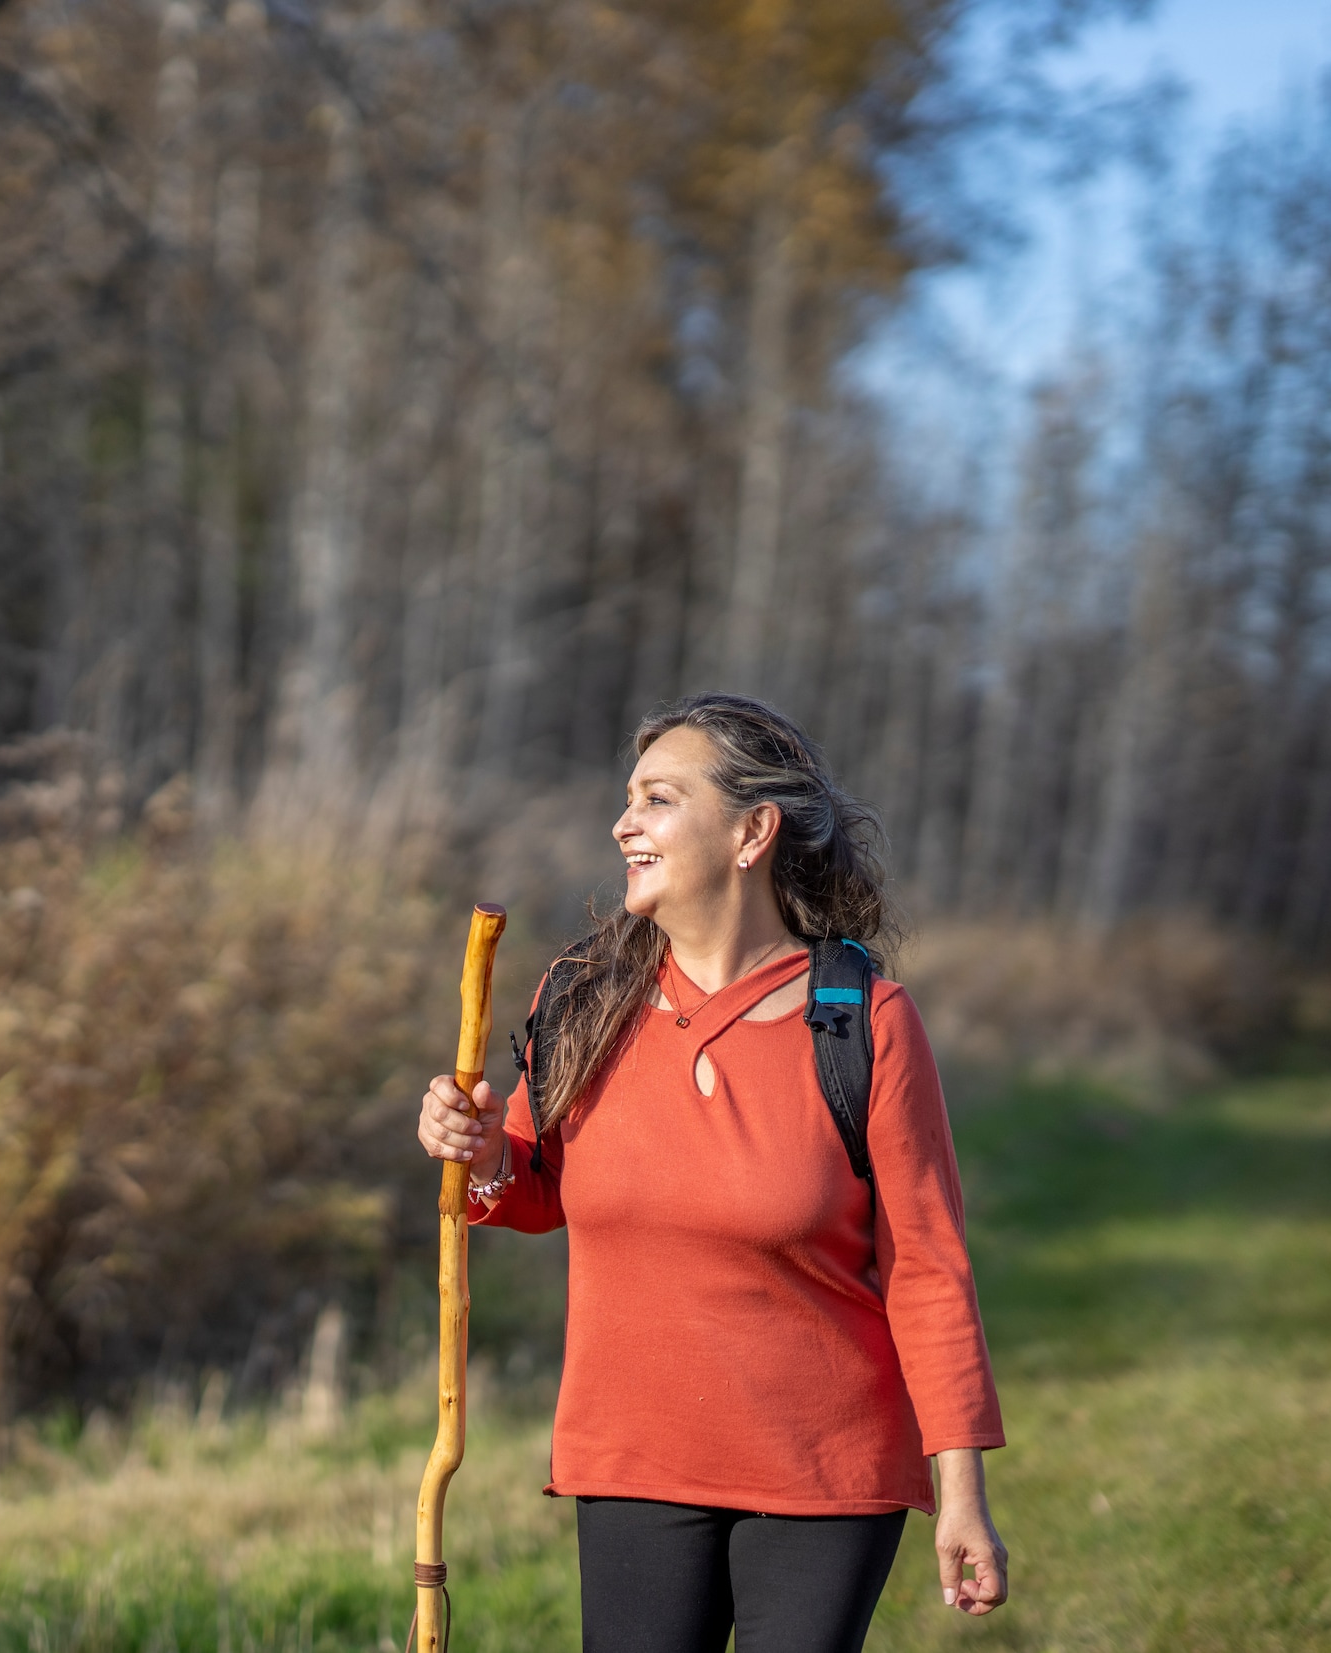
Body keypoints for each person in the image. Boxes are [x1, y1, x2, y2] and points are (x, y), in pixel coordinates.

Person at [416, 693, 1007, 1653]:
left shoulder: (865, 1022)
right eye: (627, 799)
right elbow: (532, 1188)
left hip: (824, 1475)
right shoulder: (581, 994)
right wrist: (480, 1150)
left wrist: (962, 1495)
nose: (623, 824)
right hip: (631, 1460)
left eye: (657, 798)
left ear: (752, 831)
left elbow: (929, 1271)